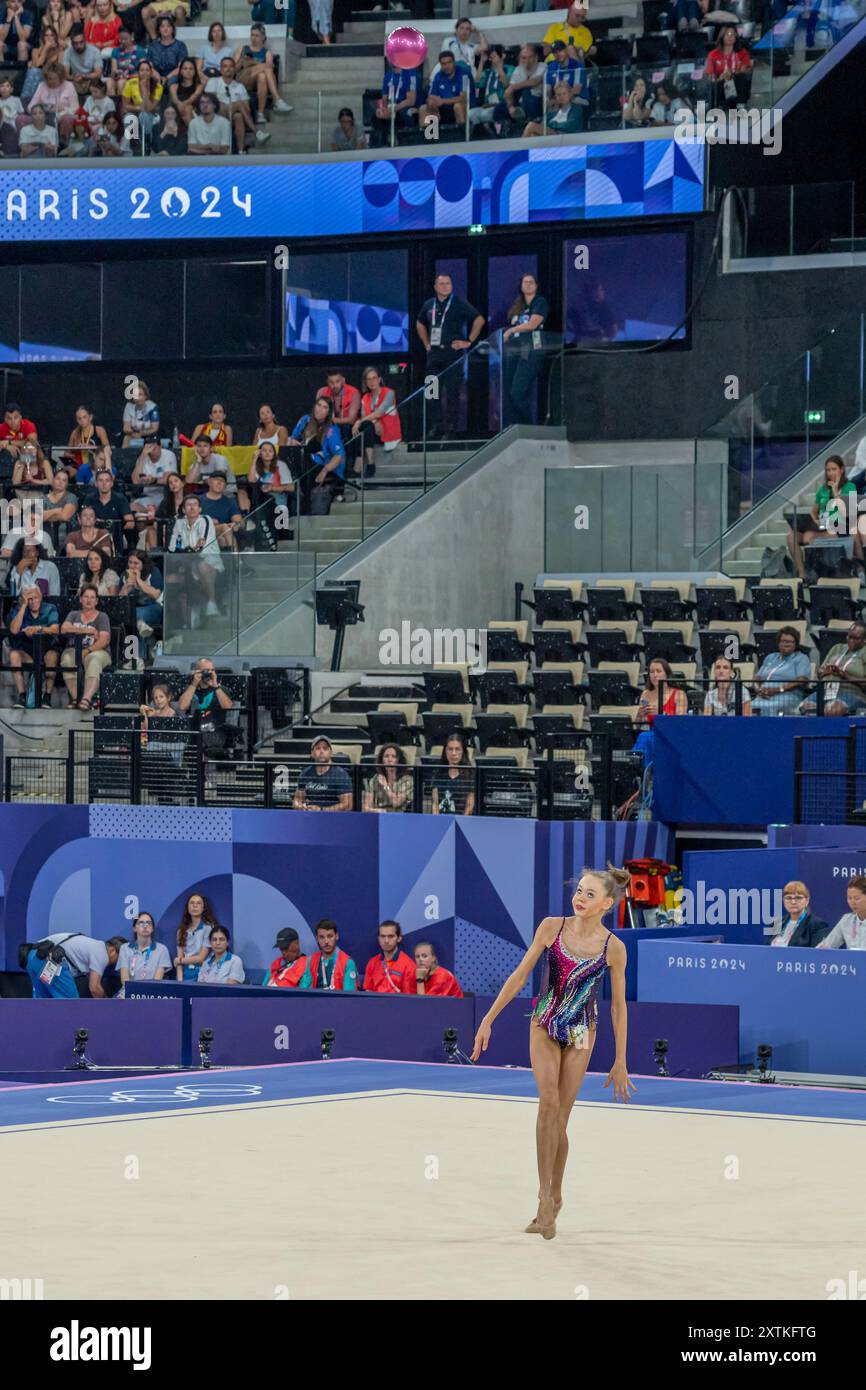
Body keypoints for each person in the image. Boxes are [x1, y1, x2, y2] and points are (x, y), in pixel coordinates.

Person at [472, 865, 633, 1238]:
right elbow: (520, 973)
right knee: (547, 1103)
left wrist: (620, 1059)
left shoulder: (614, 948)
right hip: (544, 1021)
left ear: (606, 903)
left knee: (560, 1118)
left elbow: (618, 1007)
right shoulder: (551, 927)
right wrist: (488, 1018)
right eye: (579, 890)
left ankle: (556, 1195)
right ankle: (544, 1196)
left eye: (590, 894)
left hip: (580, 1031)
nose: (580, 897)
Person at [415, 275, 485, 440]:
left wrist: (468, 341)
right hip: (434, 354)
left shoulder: (458, 303)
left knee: (452, 391)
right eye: (442, 283)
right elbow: (419, 323)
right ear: (435, 286)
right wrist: (426, 344)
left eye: (448, 283)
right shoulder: (429, 304)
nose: (446, 286)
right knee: (432, 392)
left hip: (452, 353)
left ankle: (451, 428)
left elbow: (479, 319)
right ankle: (435, 426)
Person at [786, 455, 860, 580]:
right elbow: (814, 511)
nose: (830, 473)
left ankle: (817, 571)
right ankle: (802, 573)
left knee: (809, 537)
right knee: (791, 536)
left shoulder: (850, 487)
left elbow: (848, 514)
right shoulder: (822, 490)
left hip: (840, 527)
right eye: (828, 470)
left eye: (834, 469)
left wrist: (836, 492)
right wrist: (813, 519)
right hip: (821, 525)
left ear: (841, 470)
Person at [502, 273, 550, 425]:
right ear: (521, 286)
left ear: (536, 286)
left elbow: (532, 324)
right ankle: (516, 425)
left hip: (531, 352)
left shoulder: (540, 302)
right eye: (525, 282)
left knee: (518, 392)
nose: (528, 285)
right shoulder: (518, 306)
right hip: (515, 353)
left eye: (531, 282)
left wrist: (511, 331)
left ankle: (529, 424)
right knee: (511, 393)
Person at [168, 495, 223, 617]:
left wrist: (186, 549)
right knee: (173, 577)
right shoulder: (179, 523)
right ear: (183, 510)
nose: (192, 508)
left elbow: (201, 546)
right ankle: (188, 614)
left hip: (209, 560)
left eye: (195, 505)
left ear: (200, 509)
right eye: (188, 505)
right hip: (187, 563)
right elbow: (172, 547)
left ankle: (212, 602)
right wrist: (189, 550)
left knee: (201, 566)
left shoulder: (205, 519)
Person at [25, 932, 126, 999]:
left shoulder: (91, 944)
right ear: (112, 950)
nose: (116, 966)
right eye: (118, 960)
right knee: (72, 1006)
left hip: (33, 957)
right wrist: (108, 1003)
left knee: (42, 1004)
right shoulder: (102, 953)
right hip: (53, 959)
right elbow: (94, 988)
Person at [59, 583, 112, 710]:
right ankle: (76, 698)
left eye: (92, 597)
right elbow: (64, 629)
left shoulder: (102, 617)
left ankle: (86, 699)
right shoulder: (74, 614)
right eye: (86, 597)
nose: (89, 600)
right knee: (66, 658)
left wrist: (87, 650)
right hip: (74, 649)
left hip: (98, 651)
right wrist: (87, 631)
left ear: (97, 601)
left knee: (94, 660)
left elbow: (104, 640)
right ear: (80, 599)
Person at [287, 398, 345, 510]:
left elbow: (338, 455)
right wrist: (292, 441)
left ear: (329, 412)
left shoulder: (331, 429)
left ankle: (305, 506)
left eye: (325, 407)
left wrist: (325, 471)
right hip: (301, 462)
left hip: (320, 465)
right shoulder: (305, 420)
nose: (320, 409)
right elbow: (293, 438)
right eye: (319, 405)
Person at [7, 586, 60, 707]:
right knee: (14, 655)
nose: (33, 601)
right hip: (27, 650)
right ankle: (22, 695)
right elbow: (14, 630)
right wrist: (23, 606)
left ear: (40, 597)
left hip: (46, 648)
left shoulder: (50, 608)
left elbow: (55, 629)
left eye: (36, 598)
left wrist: (39, 628)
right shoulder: (20, 609)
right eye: (30, 599)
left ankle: (47, 696)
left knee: (52, 656)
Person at [799, 621, 866, 716]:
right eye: (849, 636)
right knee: (802, 708)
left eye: (856, 638)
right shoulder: (837, 648)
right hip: (826, 691)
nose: (851, 640)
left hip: (851, 693)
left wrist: (843, 674)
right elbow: (819, 672)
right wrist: (825, 671)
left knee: (832, 710)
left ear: (864, 640)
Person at [233, 22, 292, 125]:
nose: (254, 38)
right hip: (243, 77)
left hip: (256, 79)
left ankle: (260, 114)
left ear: (263, 37)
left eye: (257, 36)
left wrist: (252, 62)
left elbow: (270, 67)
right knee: (266, 68)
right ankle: (277, 100)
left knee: (262, 76)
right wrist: (242, 61)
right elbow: (233, 70)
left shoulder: (267, 52)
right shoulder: (243, 49)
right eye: (252, 35)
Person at [175, 658, 234, 755]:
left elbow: (227, 707)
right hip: (194, 732)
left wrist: (215, 687)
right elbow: (182, 707)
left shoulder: (221, 690)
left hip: (215, 732)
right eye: (206, 671)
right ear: (198, 672)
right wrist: (194, 684)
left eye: (212, 670)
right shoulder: (190, 689)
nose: (209, 673)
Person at [350, 367, 402, 476]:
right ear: (365, 382)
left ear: (379, 379)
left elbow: (380, 412)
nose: (372, 381)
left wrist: (359, 421)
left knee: (364, 424)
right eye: (368, 379)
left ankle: (358, 465)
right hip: (374, 432)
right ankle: (369, 463)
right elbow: (366, 417)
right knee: (365, 425)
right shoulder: (365, 398)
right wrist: (371, 421)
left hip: (387, 432)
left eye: (374, 378)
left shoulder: (389, 393)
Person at [206, 54, 264, 148]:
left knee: (239, 116)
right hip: (216, 113)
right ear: (220, 69)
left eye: (231, 66)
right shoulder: (213, 81)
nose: (228, 69)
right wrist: (234, 105)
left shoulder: (240, 87)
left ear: (234, 69)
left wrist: (234, 106)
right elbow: (210, 102)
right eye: (225, 66)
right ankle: (256, 132)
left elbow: (247, 109)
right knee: (238, 104)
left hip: (231, 116)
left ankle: (240, 151)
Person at [751, 626, 811, 715]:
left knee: (770, 707)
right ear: (778, 643)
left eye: (790, 642)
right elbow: (757, 678)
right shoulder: (770, 657)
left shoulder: (801, 658)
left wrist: (778, 689)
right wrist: (758, 690)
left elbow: (802, 679)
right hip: (764, 696)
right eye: (783, 641)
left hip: (788, 696)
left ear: (796, 644)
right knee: (748, 707)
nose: (786, 644)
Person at [295, 919, 358, 990]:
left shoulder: (348, 963)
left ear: (336, 936)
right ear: (317, 939)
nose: (326, 941)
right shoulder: (311, 961)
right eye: (322, 937)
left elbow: (349, 997)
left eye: (330, 936)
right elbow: (303, 991)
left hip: (339, 1001)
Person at [293, 735, 352, 811]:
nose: (321, 751)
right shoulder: (305, 773)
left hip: (332, 817)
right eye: (318, 748)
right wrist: (300, 806)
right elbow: (297, 800)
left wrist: (321, 810)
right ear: (312, 753)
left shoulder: (340, 774)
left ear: (331, 753)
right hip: (310, 815)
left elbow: (348, 805)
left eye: (325, 748)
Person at [496, 43, 545, 131]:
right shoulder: (518, 69)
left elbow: (535, 81)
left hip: (537, 101)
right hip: (519, 102)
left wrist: (514, 86)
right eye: (524, 58)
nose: (527, 60)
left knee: (527, 91)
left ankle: (531, 124)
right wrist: (510, 106)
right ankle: (503, 130)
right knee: (500, 107)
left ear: (536, 57)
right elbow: (509, 90)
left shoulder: (543, 66)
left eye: (530, 57)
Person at [418, 50, 470, 133]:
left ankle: (461, 137)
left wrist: (442, 101)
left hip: (461, 106)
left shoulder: (463, 74)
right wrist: (432, 104)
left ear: (454, 62)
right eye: (443, 64)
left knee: (458, 106)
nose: (447, 66)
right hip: (443, 108)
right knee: (424, 108)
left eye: (449, 63)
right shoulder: (438, 76)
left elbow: (463, 97)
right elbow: (431, 97)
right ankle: (430, 140)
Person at [87, 469, 136, 553]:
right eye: (101, 480)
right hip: (94, 535)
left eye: (107, 480)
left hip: (115, 536)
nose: (104, 483)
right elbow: (84, 519)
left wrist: (119, 526)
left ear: (112, 483)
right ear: (96, 484)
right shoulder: (89, 499)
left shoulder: (120, 499)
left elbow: (130, 522)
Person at [371, 58, 418, 146]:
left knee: (405, 113)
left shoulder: (410, 73)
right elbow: (384, 98)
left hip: (405, 106)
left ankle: (408, 143)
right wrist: (381, 109)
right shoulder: (388, 76)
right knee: (377, 117)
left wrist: (393, 109)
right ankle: (382, 145)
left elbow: (411, 101)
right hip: (392, 106)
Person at [468, 44, 512, 136]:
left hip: (501, 106)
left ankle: (490, 128)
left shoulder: (510, 69)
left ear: (502, 56)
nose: (492, 60)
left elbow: (506, 84)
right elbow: (477, 83)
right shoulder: (488, 72)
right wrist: (481, 62)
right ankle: (483, 131)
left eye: (494, 57)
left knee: (484, 115)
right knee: (470, 114)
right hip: (487, 105)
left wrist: (499, 67)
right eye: (490, 58)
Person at [117, 911, 172, 985]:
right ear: (134, 928)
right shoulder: (125, 948)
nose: (145, 926)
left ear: (152, 928)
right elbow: (124, 980)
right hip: (129, 992)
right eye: (141, 923)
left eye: (148, 923)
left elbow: (157, 982)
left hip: (151, 992)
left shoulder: (162, 950)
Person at [704, 22, 751, 107]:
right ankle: (714, 109)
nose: (730, 36)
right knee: (715, 85)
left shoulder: (742, 52)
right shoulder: (713, 54)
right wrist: (720, 78)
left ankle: (741, 108)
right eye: (728, 34)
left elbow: (745, 70)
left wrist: (732, 74)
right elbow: (710, 76)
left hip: (736, 86)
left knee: (741, 77)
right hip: (720, 86)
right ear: (722, 36)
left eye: (733, 34)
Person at [768, 882, 829, 948]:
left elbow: (817, 955)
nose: (793, 902)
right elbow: (765, 951)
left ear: (807, 901)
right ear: (784, 901)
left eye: (798, 898)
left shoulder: (818, 926)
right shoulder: (775, 924)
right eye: (788, 898)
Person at [363, 920, 417, 994]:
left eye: (390, 936)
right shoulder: (372, 963)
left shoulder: (409, 965)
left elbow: (408, 997)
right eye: (383, 936)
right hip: (375, 1004)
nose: (386, 941)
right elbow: (368, 991)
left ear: (399, 938)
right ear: (378, 938)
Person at [131, 438, 178, 523]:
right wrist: (142, 456)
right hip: (148, 497)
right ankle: (143, 534)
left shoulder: (168, 455)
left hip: (165, 497)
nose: (151, 451)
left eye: (154, 448)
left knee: (157, 513)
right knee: (132, 507)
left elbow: (169, 478)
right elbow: (135, 480)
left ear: (160, 446)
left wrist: (154, 480)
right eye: (148, 448)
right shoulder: (143, 457)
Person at [174, 891, 218, 980]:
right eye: (192, 903)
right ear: (187, 907)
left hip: (203, 974)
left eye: (198, 903)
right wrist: (179, 980)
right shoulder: (181, 931)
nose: (195, 906)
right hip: (185, 973)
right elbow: (179, 960)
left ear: (203, 907)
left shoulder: (209, 928)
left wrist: (179, 960)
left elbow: (201, 958)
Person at [119, 551, 164, 636]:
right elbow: (120, 601)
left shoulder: (154, 572)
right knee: (130, 615)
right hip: (132, 610)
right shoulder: (124, 575)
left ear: (143, 564)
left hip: (153, 608)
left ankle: (140, 623)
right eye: (130, 562)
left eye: (136, 563)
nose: (132, 566)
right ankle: (140, 625)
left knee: (135, 613)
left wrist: (139, 581)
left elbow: (156, 595)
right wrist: (125, 587)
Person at [431, 733, 475, 815]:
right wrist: (436, 821)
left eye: (457, 749)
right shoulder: (438, 773)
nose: (453, 753)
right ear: (445, 751)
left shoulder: (470, 775)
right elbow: (435, 804)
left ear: (463, 752)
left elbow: (469, 807)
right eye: (450, 749)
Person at [817, 877, 866, 951]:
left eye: (856, 898)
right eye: (849, 898)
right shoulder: (846, 920)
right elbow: (827, 945)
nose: (852, 903)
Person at [363, 743, 413, 812]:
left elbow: (396, 803)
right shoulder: (375, 779)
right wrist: (380, 811)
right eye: (386, 756)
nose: (390, 760)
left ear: (399, 760)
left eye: (394, 756)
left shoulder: (407, 780)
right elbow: (366, 808)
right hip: (379, 815)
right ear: (382, 760)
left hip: (399, 817)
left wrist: (385, 786)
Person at [199, 473, 243, 549]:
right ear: (209, 481)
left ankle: (231, 558)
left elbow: (239, 520)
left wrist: (235, 524)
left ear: (225, 486)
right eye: (216, 480)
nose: (219, 483)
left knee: (223, 538)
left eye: (222, 481)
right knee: (224, 528)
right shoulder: (199, 500)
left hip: (222, 535)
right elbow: (190, 518)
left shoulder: (230, 502)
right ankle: (235, 559)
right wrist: (208, 521)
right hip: (201, 532)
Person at [317, 369, 361, 444]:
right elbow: (318, 414)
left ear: (343, 380)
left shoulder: (354, 392)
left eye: (337, 381)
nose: (334, 385)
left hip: (348, 428)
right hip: (328, 426)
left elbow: (351, 420)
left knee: (346, 428)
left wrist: (331, 420)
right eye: (331, 382)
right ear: (327, 382)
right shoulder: (322, 392)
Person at [66, 405, 111, 473]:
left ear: (90, 417)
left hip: (96, 464)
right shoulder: (75, 433)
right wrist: (77, 454)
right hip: (79, 465)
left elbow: (107, 449)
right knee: (69, 469)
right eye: (79, 418)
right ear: (76, 420)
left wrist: (90, 447)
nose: (82, 420)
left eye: (84, 417)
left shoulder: (99, 430)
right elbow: (66, 454)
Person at [167, 54, 204, 128]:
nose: (188, 71)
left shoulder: (199, 86)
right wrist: (179, 106)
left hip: (196, 114)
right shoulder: (173, 86)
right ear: (180, 71)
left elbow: (192, 98)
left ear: (195, 71)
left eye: (191, 69)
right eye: (185, 68)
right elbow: (175, 100)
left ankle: (192, 135)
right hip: (176, 113)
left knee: (188, 108)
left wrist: (182, 106)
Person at [146, 15, 187, 81]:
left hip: (174, 76)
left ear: (173, 29)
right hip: (155, 76)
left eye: (168, 26)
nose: (165, 29)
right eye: (162, 26)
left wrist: (167, 78)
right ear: (158, 30)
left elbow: (181, 67)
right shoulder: (153, 46)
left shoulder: (180, 45)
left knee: (172, 82)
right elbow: (149, 66)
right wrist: (159, 78)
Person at [121, 379, 160, 447]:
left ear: (145, 395)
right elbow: (126, 427)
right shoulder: (129, 406)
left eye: (140, 395)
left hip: (149, 435)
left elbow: (154, 428)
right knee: (126, 438)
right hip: (133, 434)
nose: (138, 398)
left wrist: (142, 434)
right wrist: (132, 433)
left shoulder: (152, 407)